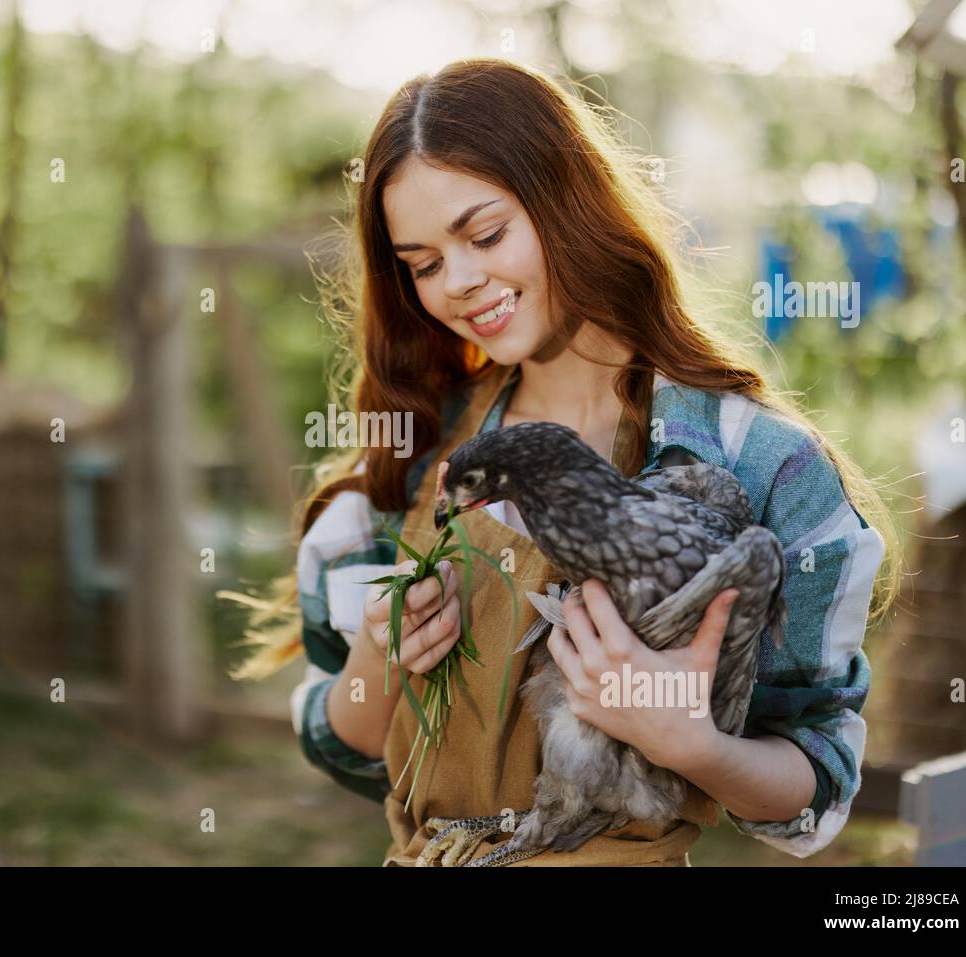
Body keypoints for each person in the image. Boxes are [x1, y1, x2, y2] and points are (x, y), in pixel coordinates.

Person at [228, 58, 897, 866]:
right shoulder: (413, 462)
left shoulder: (756, 462)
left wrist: (691, 743)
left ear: (568, 199)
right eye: (425, 263)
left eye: (484, 234)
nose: (462, 282)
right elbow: (346, 744)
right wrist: (379, 658)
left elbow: (817, 777)